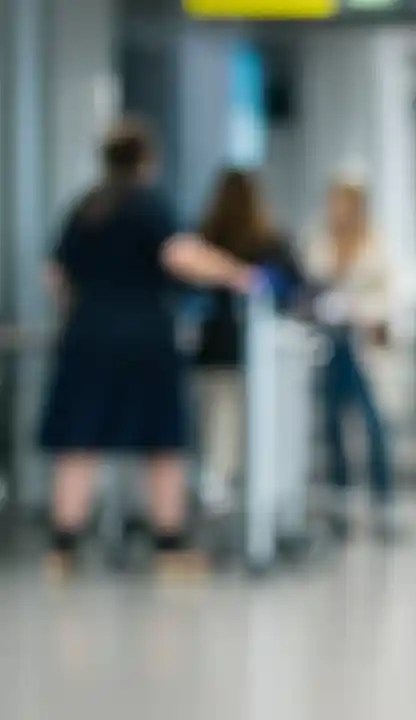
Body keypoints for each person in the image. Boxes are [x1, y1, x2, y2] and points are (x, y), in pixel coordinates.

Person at [40, 120, 258, 572]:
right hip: (143, 338)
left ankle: (62, 548)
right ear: (147, 161)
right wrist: (237, 273)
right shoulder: (150, 205)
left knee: (79, 441)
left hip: (86, 335)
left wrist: (84, 310)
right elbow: (180, 256)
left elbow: (55, 277)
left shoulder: (86, 207)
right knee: (161, 442)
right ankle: (169, 545)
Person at [192, 168, 302, 515]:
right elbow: (294, 288)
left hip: (215, 349)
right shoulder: (269, 242)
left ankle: (218, 487)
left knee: (217, 425)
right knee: (253, 430)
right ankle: (251, 499)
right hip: (261, 356)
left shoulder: (205, 240)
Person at [306, 179, 395, 541]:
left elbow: (388, 298)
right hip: (329, 343)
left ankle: (382, 505)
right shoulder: (318, 242)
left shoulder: (376, 245)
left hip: (363, 344)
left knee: (373, 425)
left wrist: (358, 311)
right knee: (331, 426)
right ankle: (337, 508)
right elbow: (308, 287)